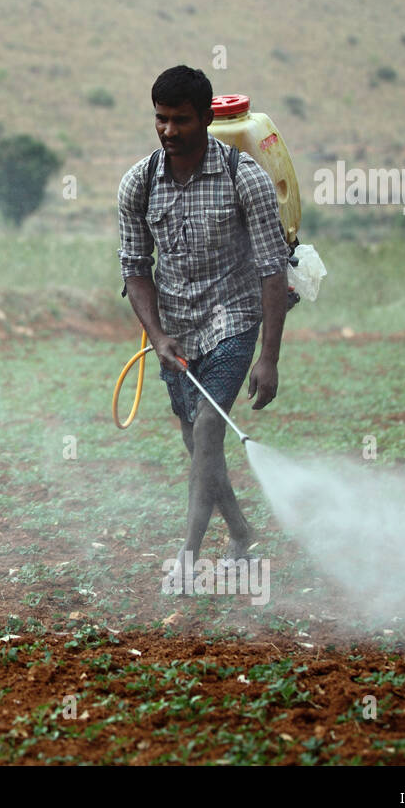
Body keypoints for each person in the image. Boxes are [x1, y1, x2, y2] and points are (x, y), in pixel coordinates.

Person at [116, 65, 290, 592]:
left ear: (207, 118)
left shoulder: (246, 178)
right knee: (199, 445)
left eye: (181, 120)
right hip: (176, 330)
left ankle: (188, 562)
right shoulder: (138, 184)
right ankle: (240, 532)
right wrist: (158, 335)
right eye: (161, 120)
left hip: (234, 320)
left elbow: (271, 269)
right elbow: (134, 269)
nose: (169, 131)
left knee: (210, 430)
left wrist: (269, 357)